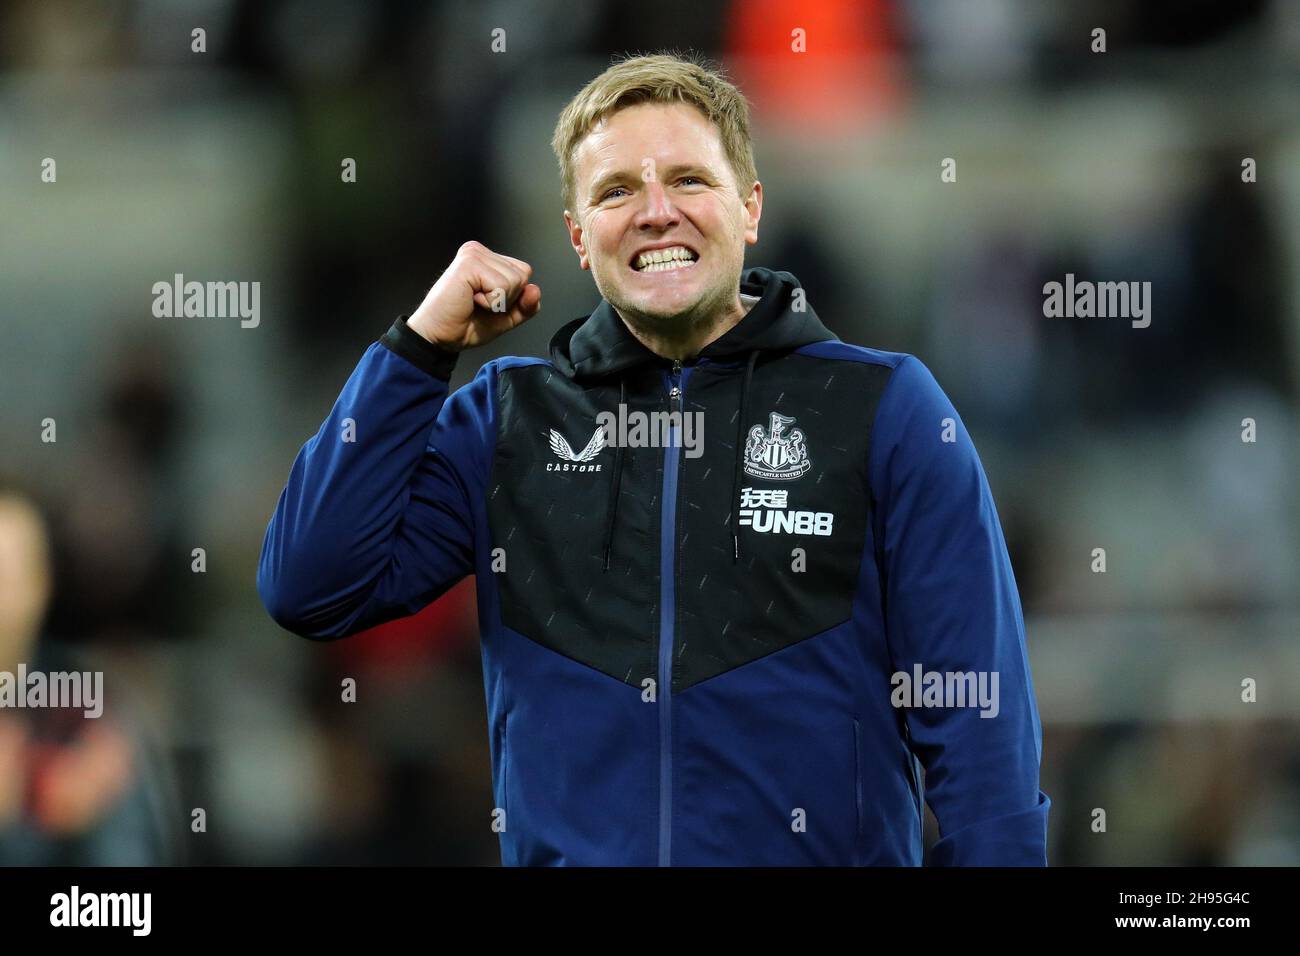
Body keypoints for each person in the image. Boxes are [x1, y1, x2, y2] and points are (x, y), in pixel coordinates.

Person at [257, 52, 1050, 866]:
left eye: (689, 181)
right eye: (616, 192)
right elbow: (311, 586)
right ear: (577, 235)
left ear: (749, 209)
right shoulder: (505, 420)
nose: (656, 212)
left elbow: (979, 725)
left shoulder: (885, 409)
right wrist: (417, 348)